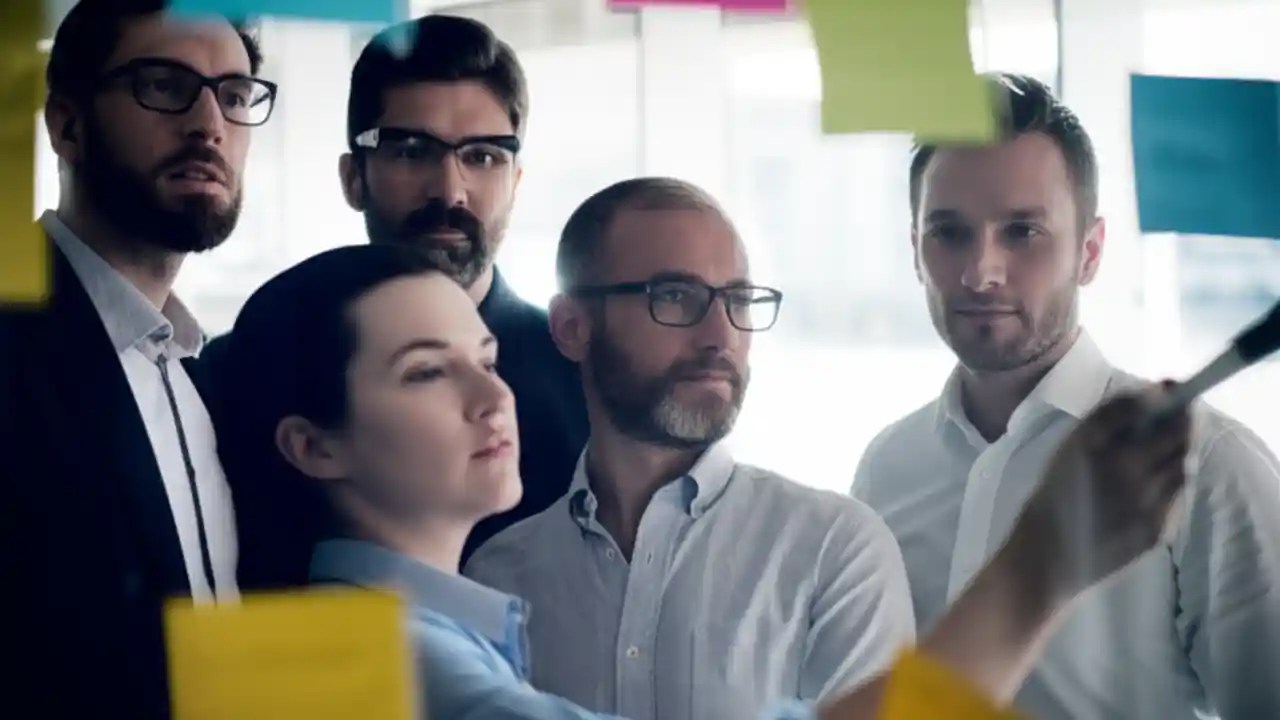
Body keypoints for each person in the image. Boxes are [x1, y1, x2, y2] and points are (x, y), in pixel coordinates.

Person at [217, 241, 1194, 720]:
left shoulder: (401, 636)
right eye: (427, 372)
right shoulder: (382, 662)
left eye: (485, 357)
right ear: (313, 446)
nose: (492, 396)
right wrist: (1039, 572)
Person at [852, 73, 1280, 720]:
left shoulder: (1211, 466)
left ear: (1090, 251)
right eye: (949, 232)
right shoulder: (885, 468)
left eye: (1023, 231)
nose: (981, 272)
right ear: (915, 250)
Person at [460, 177, 910, 719]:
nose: (721, 336)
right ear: (572, 327)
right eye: (675, 296)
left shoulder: (834, 553)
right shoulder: (497, 578)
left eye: (738, 300)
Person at [207, 15, 587, 581]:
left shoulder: (584, 379)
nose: (450, 190)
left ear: (516, 180)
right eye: (411, 152)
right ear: (353, 178)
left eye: (483, 157)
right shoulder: (242, 371)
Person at [0, 1, 277, 717]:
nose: (209, 124)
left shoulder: (199, 370)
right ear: (67, 125)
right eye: (163, 85)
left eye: (234, 95)